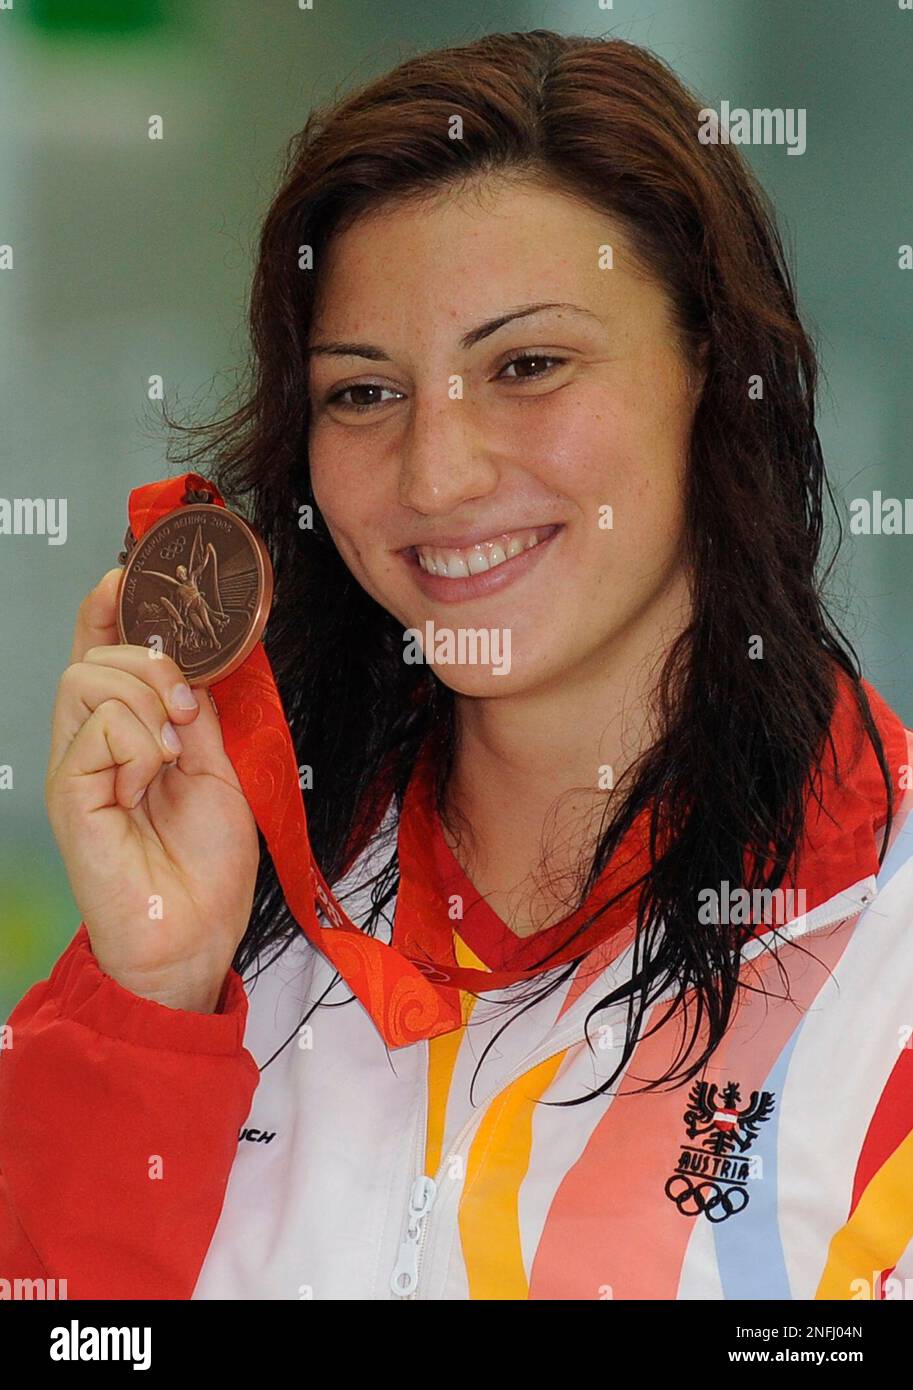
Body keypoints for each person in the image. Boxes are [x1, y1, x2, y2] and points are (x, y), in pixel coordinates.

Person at [2, 28, 913, 1302]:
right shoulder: (230, 915)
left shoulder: (882, 948)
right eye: (364, 394)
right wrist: (156, 996)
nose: (437, 476)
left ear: (712, 368)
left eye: (527, 366)